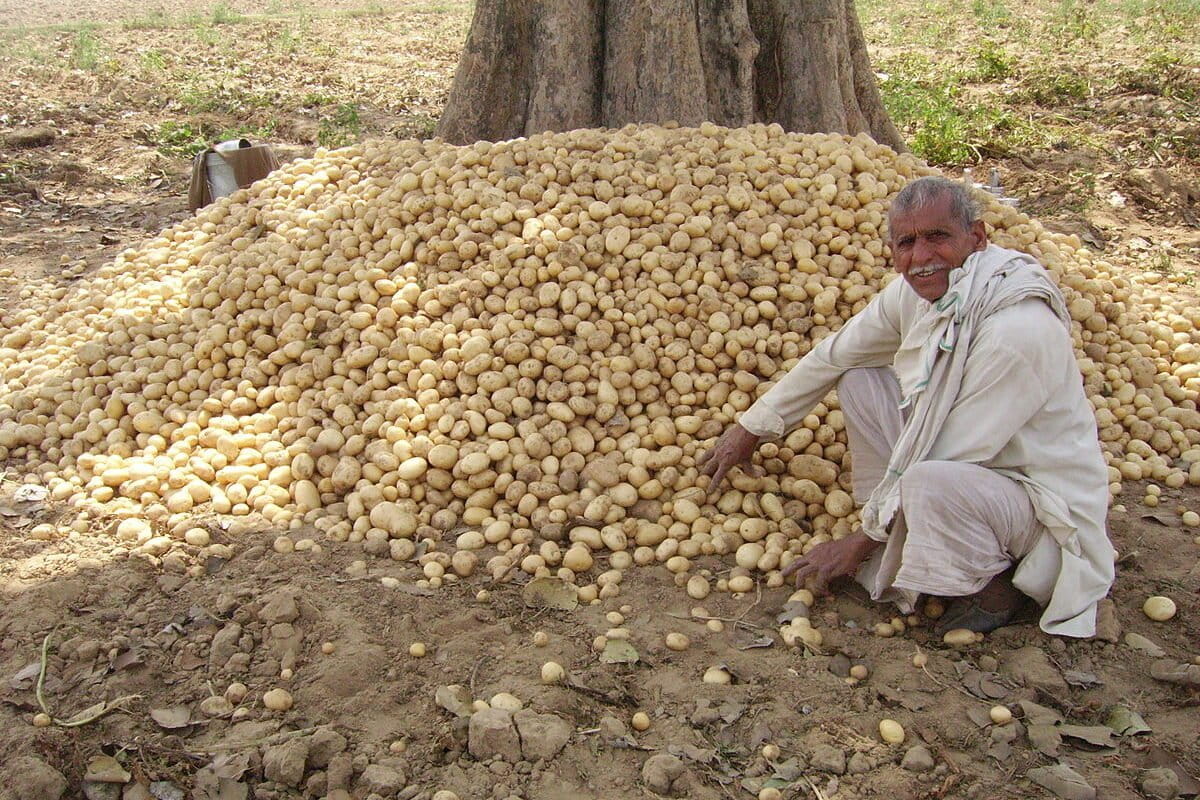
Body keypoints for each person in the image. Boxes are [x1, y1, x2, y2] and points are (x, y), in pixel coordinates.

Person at [698, 176, 1114, 637]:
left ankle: (998, 584)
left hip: (1036, 505)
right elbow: (835, 355)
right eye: (907, 243)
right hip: (970, 472)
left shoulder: (1015, 331)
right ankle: (902, 532)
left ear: (976, 237)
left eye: (938, 237)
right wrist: (752, 428)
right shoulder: (919, 293)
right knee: (859, 380)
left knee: (928, 480)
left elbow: (948, 454)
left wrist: (858, 543)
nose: (921, 256)